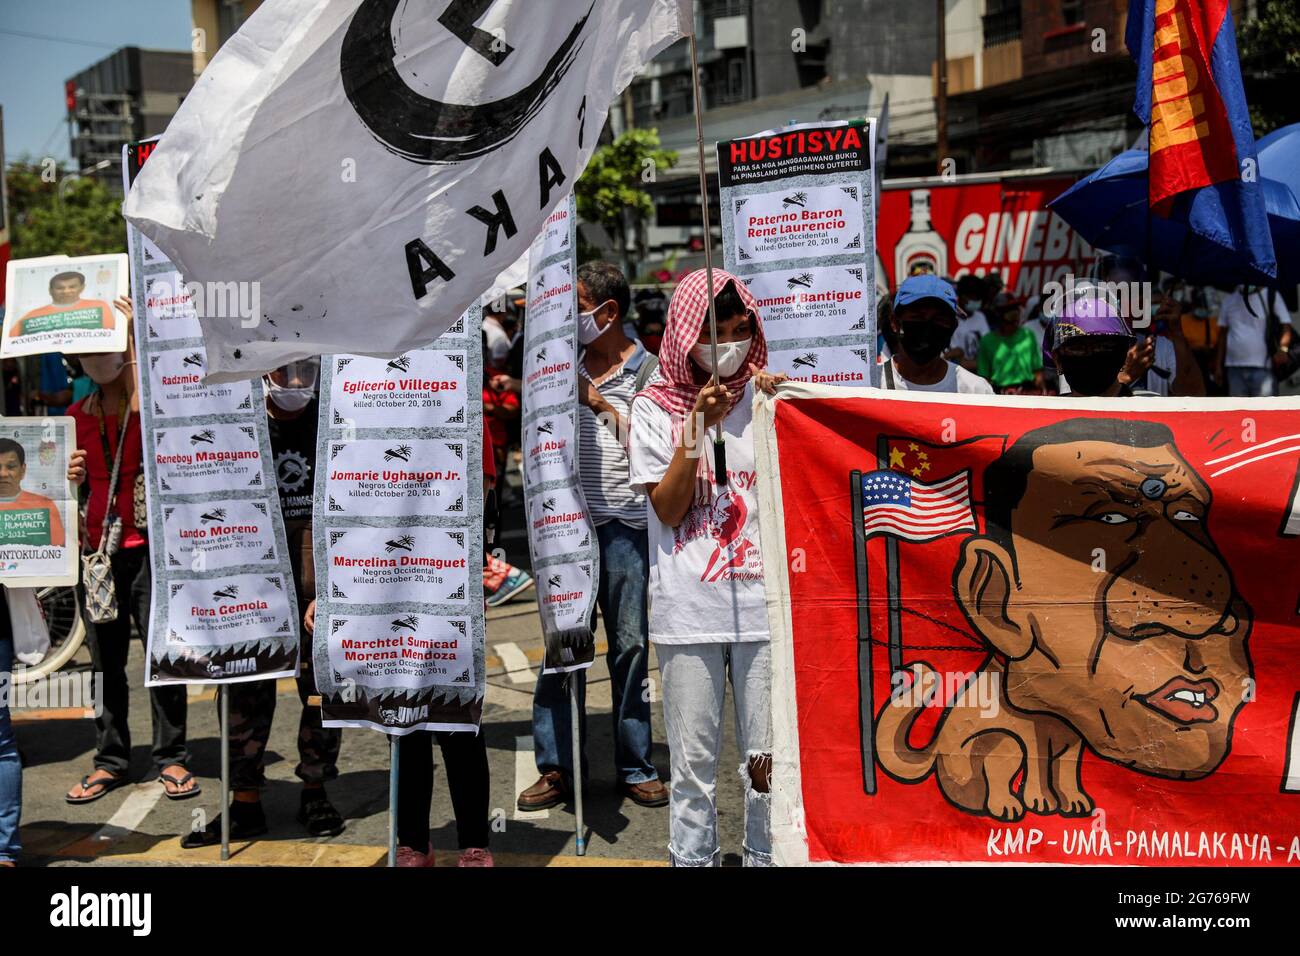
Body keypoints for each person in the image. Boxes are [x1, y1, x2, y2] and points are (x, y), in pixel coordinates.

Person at [627, 268, 787, 867]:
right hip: (689, 612)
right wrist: (696, 427)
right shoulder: (653, 407)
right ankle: (691, 859)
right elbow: (668, 509)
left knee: (766, 764)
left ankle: (763, 856)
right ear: (684, 333)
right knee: (692, 768)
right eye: (712, 332)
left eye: (739, 329)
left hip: (763, 611)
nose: (729, 344)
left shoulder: (770, 398)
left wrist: (782, 404)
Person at [517, 262, 668, 813]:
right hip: (566, 529)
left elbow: (657, 449)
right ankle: (557, 766)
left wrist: (600, 404)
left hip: (626, 527)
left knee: (629, 647)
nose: (565, 315)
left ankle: (635, 764)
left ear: (607, 312)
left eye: (575, 304)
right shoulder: (558, 367)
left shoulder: (651, 373)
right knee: (563, 644)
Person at [181, 359, 345, 847]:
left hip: (318, 573)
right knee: (245, 686)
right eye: (281, 371)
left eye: (304, 371)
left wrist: (334, 588)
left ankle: (315, 788)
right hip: (251, 572)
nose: (294, 383)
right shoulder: (236, 422)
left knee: (321, 688)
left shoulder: (335, 418)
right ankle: (244, 801)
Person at [64, 297, 197, 804]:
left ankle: (173, 757)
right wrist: (69, 476)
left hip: (151, 552)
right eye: (90, 352)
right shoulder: (75, 416)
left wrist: (140, 330)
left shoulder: (151, 405)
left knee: (162, 656)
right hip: (96, 554)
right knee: (104, 662)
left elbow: (162, 405)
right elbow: (57, 487)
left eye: (111, 346)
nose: (100, 360)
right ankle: (110, 758)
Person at [393, 416, 498, 868]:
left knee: (459, 721)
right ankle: (414, 841)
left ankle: (475, 842)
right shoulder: (380, 402)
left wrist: (476, 569)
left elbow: (486, 495)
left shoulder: (467, 407)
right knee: (406, 717)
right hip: (391, 576)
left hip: (451, 577)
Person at [879, 275, 993, 394]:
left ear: (953, 327)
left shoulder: (975, 390)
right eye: (917, 317)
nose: (927, 327)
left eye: (939, 319)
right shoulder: (872, 385)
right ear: (895, 323)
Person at [1048, 294, 1156, 397]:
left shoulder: (1152, 407)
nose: (1090, 355)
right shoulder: (1048, 413)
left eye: (1103, 346)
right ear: (1057, 359)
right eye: (1078, 347)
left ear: (1123, 352)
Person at [1215, 284, 1293, 397]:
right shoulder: (1229, 300)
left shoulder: (1270, 296)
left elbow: (1286, 326)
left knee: (1265, 410)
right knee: (1238, 411)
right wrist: (1218, 366)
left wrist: (1283, 349)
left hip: (1263, 366)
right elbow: (1222, 336)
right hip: (1234, 368)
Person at [0, 437, 67, 547]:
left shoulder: (44, 506)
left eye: (11, 467)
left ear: (23, 470)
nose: (3, 474)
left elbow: (59, 552)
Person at [10, 271, 115, 338]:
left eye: (72, 286)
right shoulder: (33, 315)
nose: (66, 291)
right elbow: (11, 340)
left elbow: (111, 334)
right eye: (60, 288)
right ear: (50, 290)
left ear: (82, 287)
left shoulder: (99, 307)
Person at [977, 292, 1043, 393]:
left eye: (1016, 311)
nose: (1015, 317)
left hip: (1027, 392)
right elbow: (984, 377)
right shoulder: (987, 340)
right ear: (999, 315)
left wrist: (1042, 392)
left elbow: (1038, 371)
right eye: (1010, 313)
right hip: (999, 393)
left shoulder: (1028, 335)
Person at [951, 274, 990, 372]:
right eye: (973, 298)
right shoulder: (950, 318)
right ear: (963, 297)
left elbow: (988, 348)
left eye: (978, 299)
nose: (977, 302)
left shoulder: (980, 317)